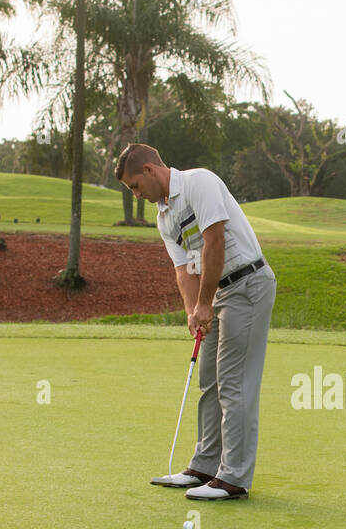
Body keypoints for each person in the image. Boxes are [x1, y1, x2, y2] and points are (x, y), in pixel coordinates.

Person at [118, 143, 276, 501]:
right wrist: (194, 310)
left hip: (247, 283)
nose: (137, 195)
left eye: (135, 187)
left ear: (149, 170)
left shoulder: (198, 182)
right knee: (210, 381)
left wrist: (205, 302)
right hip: (216, 291)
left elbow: (214, 240)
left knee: (234, 382)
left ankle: (234, 477)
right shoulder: (163, 216)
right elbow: (183, 268)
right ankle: (205, 467)